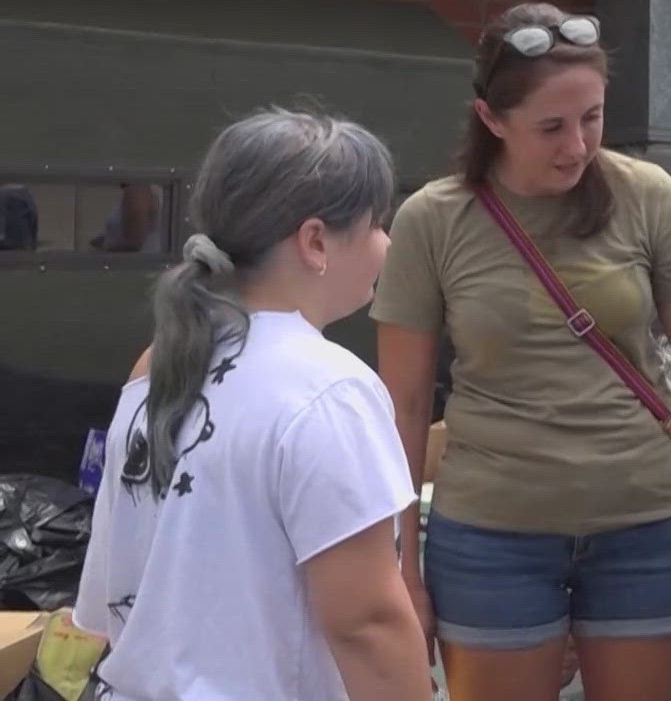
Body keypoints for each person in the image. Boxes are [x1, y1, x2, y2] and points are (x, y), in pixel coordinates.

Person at [373, 3, 671, 701]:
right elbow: (403, 406)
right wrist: (401, 565)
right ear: (492, 119)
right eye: (551, 127)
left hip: (646, 526)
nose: (578, 145)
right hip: (493, 536)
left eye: (592, 117)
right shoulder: (433, 221)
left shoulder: (646, 195)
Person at [74, 110, 431, 700]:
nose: (386, 244)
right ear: (316, 241)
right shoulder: (330, 390)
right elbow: (367, 623)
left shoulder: (157, 364)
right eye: (376, 225)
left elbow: (101, 609)